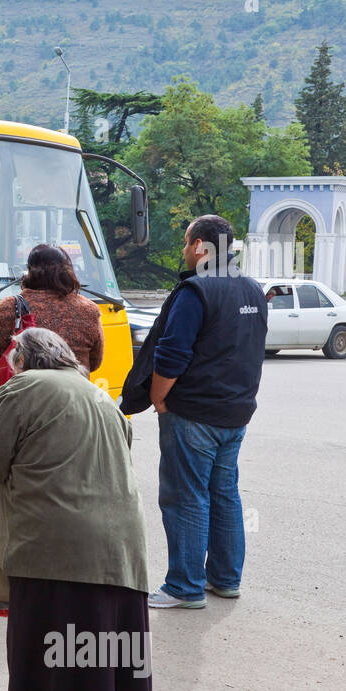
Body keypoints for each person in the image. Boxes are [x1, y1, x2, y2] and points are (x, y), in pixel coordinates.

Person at [0, 327, 152, 691]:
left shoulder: (23, 387)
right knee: (87, 636)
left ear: (23, 360)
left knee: (38, 637)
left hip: (53, 540)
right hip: (119, 544)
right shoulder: (99, 395)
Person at [144, 214, 267, 609]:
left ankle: (184, 587)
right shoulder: (252, 288)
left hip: (195, 414)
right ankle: (225, 580)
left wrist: (159, 397)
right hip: (235, 414)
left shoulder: (195, 291)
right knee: (224, 493)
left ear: (200, 246)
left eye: (186, 242)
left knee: (185, 497)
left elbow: (172, 353)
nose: (183, 250)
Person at [0, 244, 104, 375]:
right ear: (69, 271)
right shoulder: (89, 310)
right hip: (75, 393)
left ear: (29, 272)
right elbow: (94, 363)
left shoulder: (7, 308)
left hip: (23, 393)